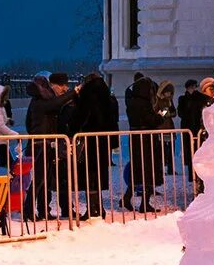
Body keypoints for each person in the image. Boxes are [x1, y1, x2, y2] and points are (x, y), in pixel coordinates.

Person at [25, 73, 79, 222]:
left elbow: (29, 122)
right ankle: (28, 210)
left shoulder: (42, 100)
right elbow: (55, 104)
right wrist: (73, 92)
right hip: (40, 144)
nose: (64, 88)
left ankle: (41, 211)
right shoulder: (39, 101)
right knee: (38, 180)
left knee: (44, 180)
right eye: (61, 85)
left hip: (45, 143)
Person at [67, 73, 119, 219]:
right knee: (99, 173)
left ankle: (92, 209)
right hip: (104, 140)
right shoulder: (107, 94)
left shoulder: (88, 93)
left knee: (89, 174)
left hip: (90, 139)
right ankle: (99, 208)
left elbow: (81, 115)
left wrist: (72, 129)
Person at [125, 74, 164, 212]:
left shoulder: (131, 100)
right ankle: (144, 204)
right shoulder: (144, 103)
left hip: (135, 138)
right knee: (148, 169)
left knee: (137, 169)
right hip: (146, 139)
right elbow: (152, 120)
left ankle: (127, 197)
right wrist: (161, 115)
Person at [178, 79, 211, 182]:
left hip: (196, 127)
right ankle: (192, 175)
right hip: (188, 127)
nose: (192, 89)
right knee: (190, 151)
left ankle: (198, 175)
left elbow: (209, 102)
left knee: (198, 150)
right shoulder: (183, 99)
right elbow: (181, 112)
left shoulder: (199, 97)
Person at [155, 80, 177, 176]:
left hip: (170, 127)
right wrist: (166, 112)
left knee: (171, 150)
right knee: (162, 150)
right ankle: (162, 168)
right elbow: (158, 113)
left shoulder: (170, 101)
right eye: (168, 92)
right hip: (162, 127)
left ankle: (171, 168)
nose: (169, 94)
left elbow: (174, 113)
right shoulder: (158, 101)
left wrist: (170, 112)